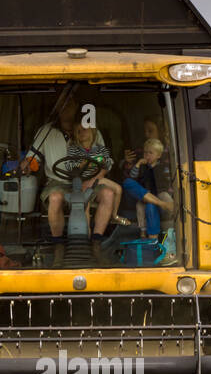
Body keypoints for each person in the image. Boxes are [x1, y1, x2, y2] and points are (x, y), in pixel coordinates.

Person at [26, 98, 114, 264]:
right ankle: (59, 247)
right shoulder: (46, 131)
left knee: (108, 194)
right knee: (55, 198)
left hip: (88, 179)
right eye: (62, 105)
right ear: (57, 108)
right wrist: (26, 165)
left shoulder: (91, 130)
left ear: (76, 107)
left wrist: (93, 179)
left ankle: (95, 243)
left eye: (70, 104)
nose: (66, 109)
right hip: (58, 181)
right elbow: (33, 159)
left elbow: (106, 162)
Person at [122, 138, 171, 241]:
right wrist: (138, 164)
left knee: (161, 199)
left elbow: (167, 182)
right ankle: (143, 231)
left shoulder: (161, 167)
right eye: (145, 153)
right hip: (146, 194)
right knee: (140, 205)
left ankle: (170, 210)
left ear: (159, 155)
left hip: (160, 193)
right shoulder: (143, 167)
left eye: (150, 153)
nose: (146, 155)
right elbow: (132, 176)